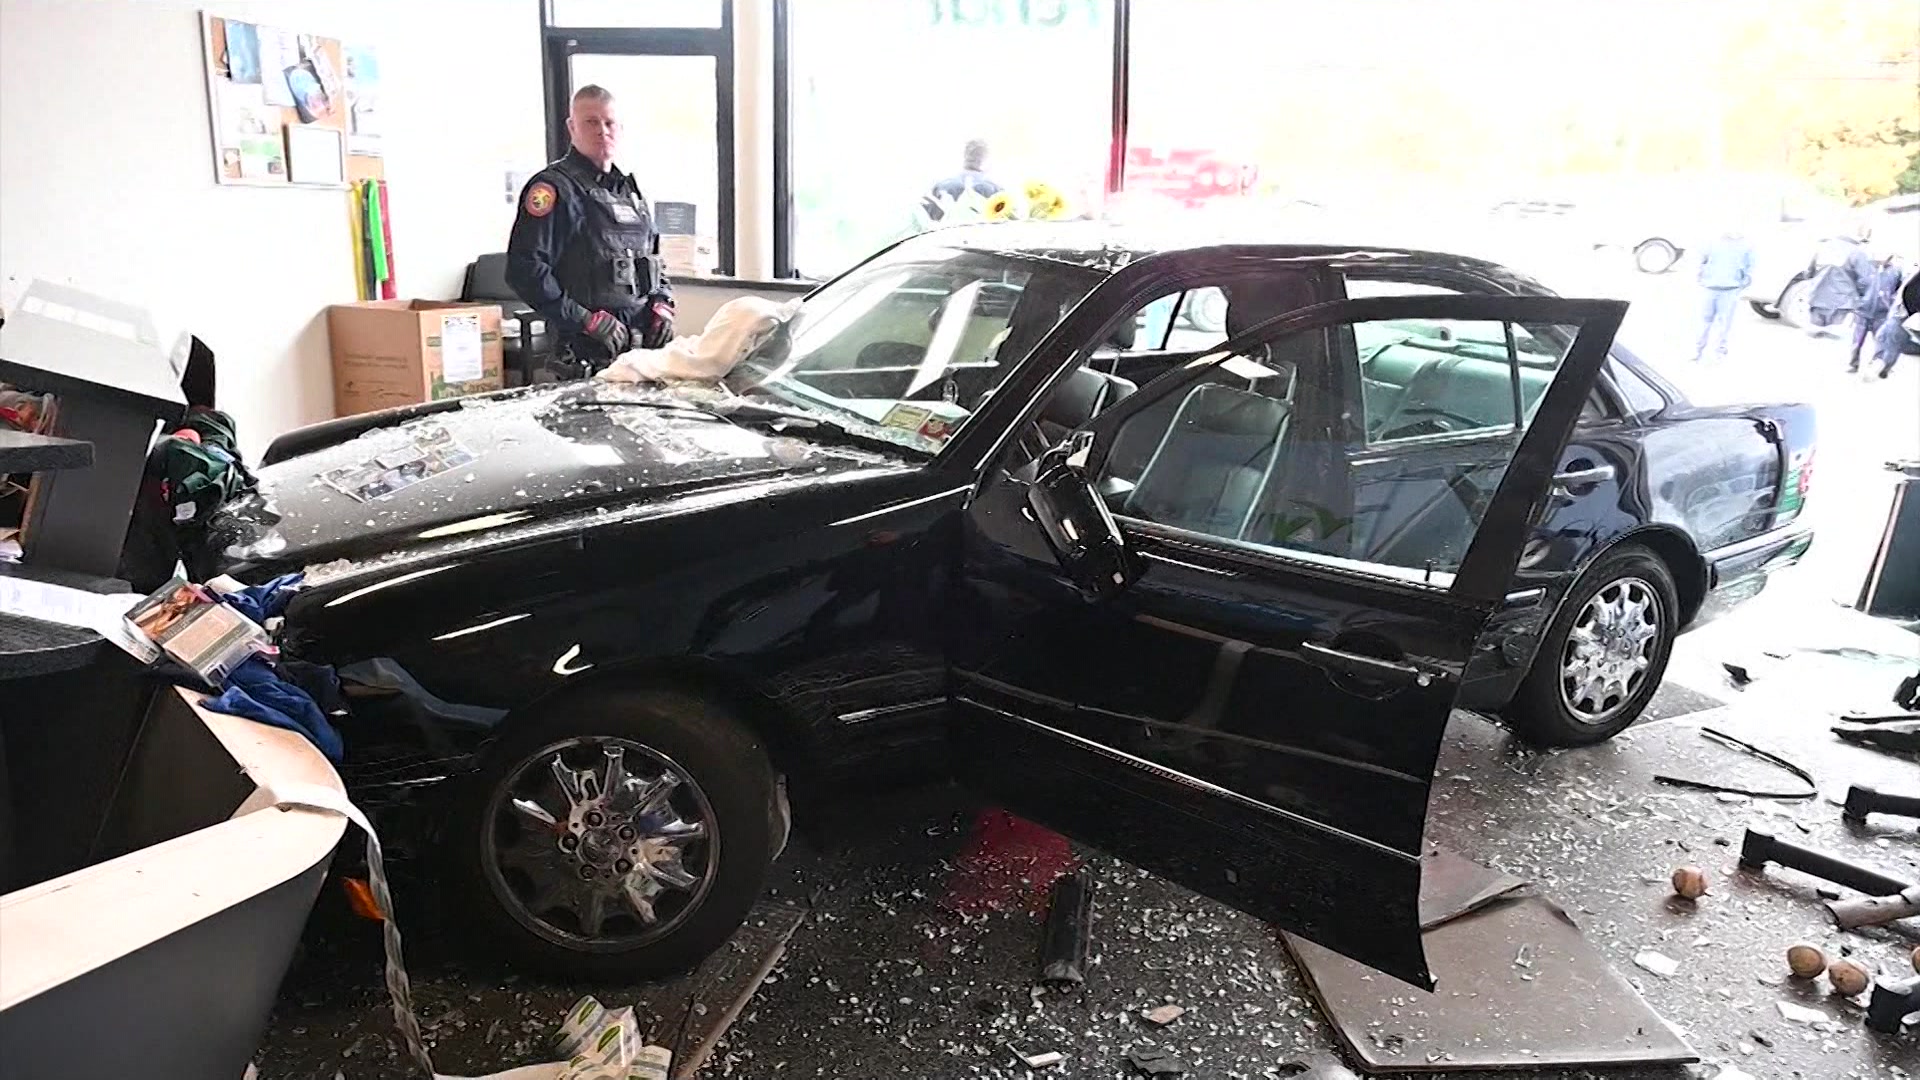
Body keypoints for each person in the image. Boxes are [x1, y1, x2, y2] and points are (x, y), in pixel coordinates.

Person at [507, 84, 674, 378]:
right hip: (585, 351)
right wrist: (585, 320)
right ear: (572, 127)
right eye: (591, 122)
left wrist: (662, 304)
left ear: (620, 128)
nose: (602, 130)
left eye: (609, 123)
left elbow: (655, 263)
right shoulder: (554, 189)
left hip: (640, 354)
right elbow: (525, 270)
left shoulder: (631, 193)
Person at [1690, 225, 1754, 362]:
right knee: (1704, 322)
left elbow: (1750, 268)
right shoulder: (1712, 243)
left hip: (1730, 290)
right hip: (1710, 288)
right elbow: (1701, 261)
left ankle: (1719, 352)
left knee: (1724, 324)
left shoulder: (1745, 246)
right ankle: (1697, 350)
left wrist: (1742, 283)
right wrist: (1700, 276)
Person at [1801, 223, 1876, 339]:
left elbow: (1808, 273)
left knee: (1812, 337)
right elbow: (1866, 280)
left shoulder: (1822, 247)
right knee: (1835, 340)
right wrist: (1861, 297)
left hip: (1816, 299)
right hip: (1843, 303)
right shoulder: (1857, 252)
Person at [914, 139, 1003, 231]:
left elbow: (922, 222)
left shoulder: (940, 186)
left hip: (944, 238)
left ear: (965, 156)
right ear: (985, 159)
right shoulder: (995, 189)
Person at [1850, 252, 1903, 373]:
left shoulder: (1895, 272)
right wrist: (1858, 301)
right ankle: (1853, 364)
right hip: (1862, 311)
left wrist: (1890, 302)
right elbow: (1854, 285)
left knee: (1881, 341)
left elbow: (1899, 290)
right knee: (1857, 341)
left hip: (1882, 313)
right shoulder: (1864, 269)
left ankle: (1879, 365)